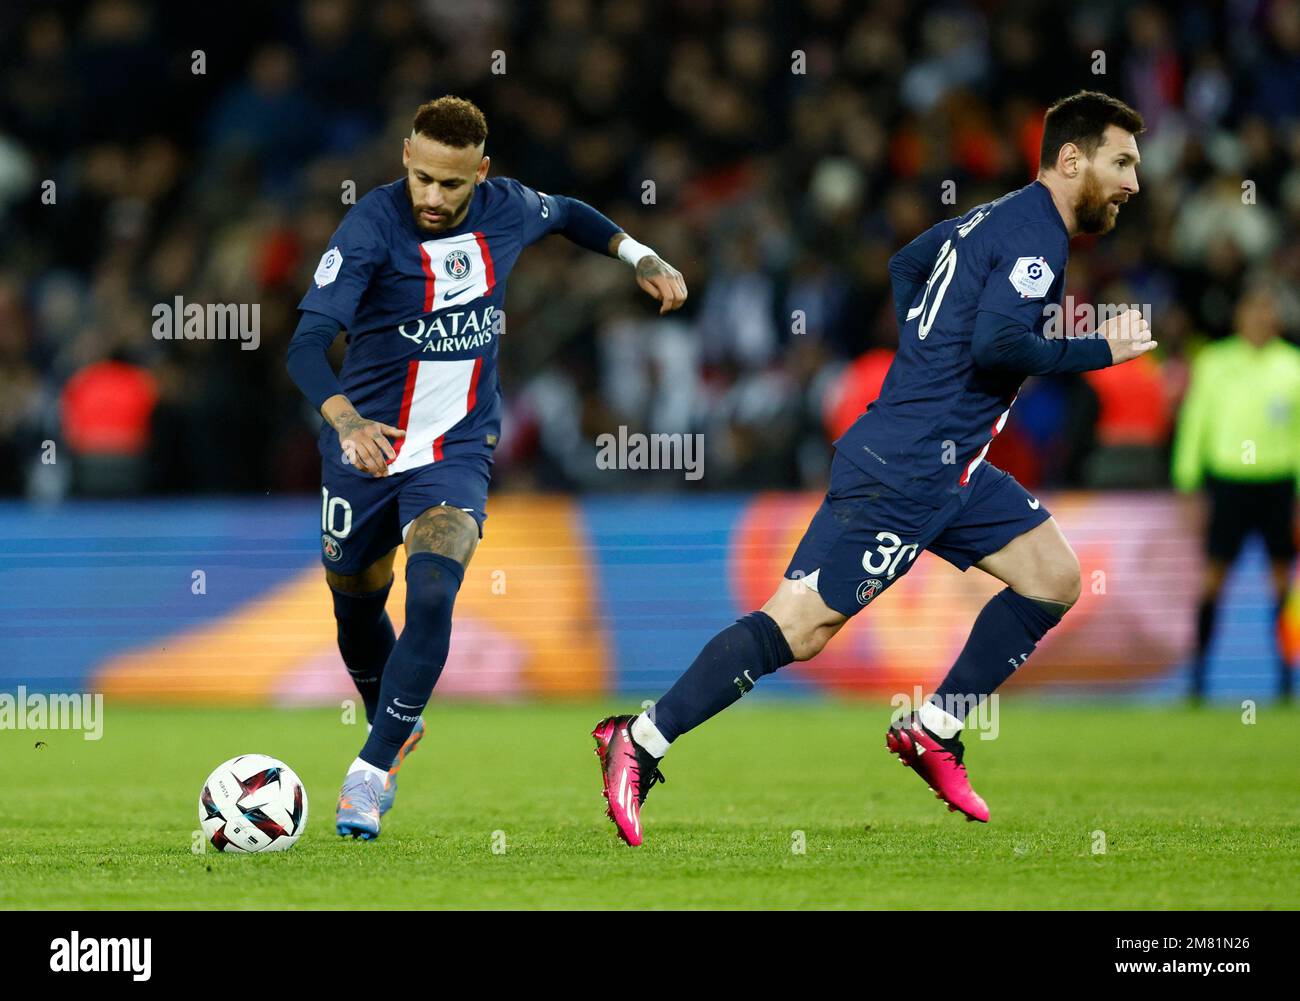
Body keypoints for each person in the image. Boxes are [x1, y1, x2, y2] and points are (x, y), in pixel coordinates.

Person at [592, 90, 1152, 845]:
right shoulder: (1037, 238)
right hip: (904, 468)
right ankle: (640, 738)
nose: (1133, 183)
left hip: (953, 466)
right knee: (799, 625)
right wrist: (1100, 349)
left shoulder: (995, 215)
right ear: (1072, 159)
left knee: (1051, 576)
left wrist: (924, 354)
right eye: (1121, 162)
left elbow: (906, 262)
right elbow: (998, 346)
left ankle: (934, 729)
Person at [285, 96, 687, 839]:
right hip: (366, 447)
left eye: (453, 184)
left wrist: (640, 254)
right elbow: (305, 346)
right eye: (426, 178)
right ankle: (394, 723)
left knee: (433, 589)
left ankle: (369, 773)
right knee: (354, 604)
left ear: (483, 174)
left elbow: (568, 212)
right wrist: (345, 422)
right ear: (406, 155)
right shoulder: (368, 228)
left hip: (455, 450)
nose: (435, 198)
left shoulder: (508, 208)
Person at [1171, 281, 1300, 702]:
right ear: (1240, 317)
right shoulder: (1214, 362)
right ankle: (1198, 677)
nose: (1261, 319)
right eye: (1253, 311)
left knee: (1281, 583)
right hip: (1228, 484)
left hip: (1278, 484)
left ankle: (1284, 680)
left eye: (1268, 311)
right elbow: (1195, 423)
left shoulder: (1292, 365)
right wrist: (1188, 482)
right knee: (1213, 581)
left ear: (1276, 318)